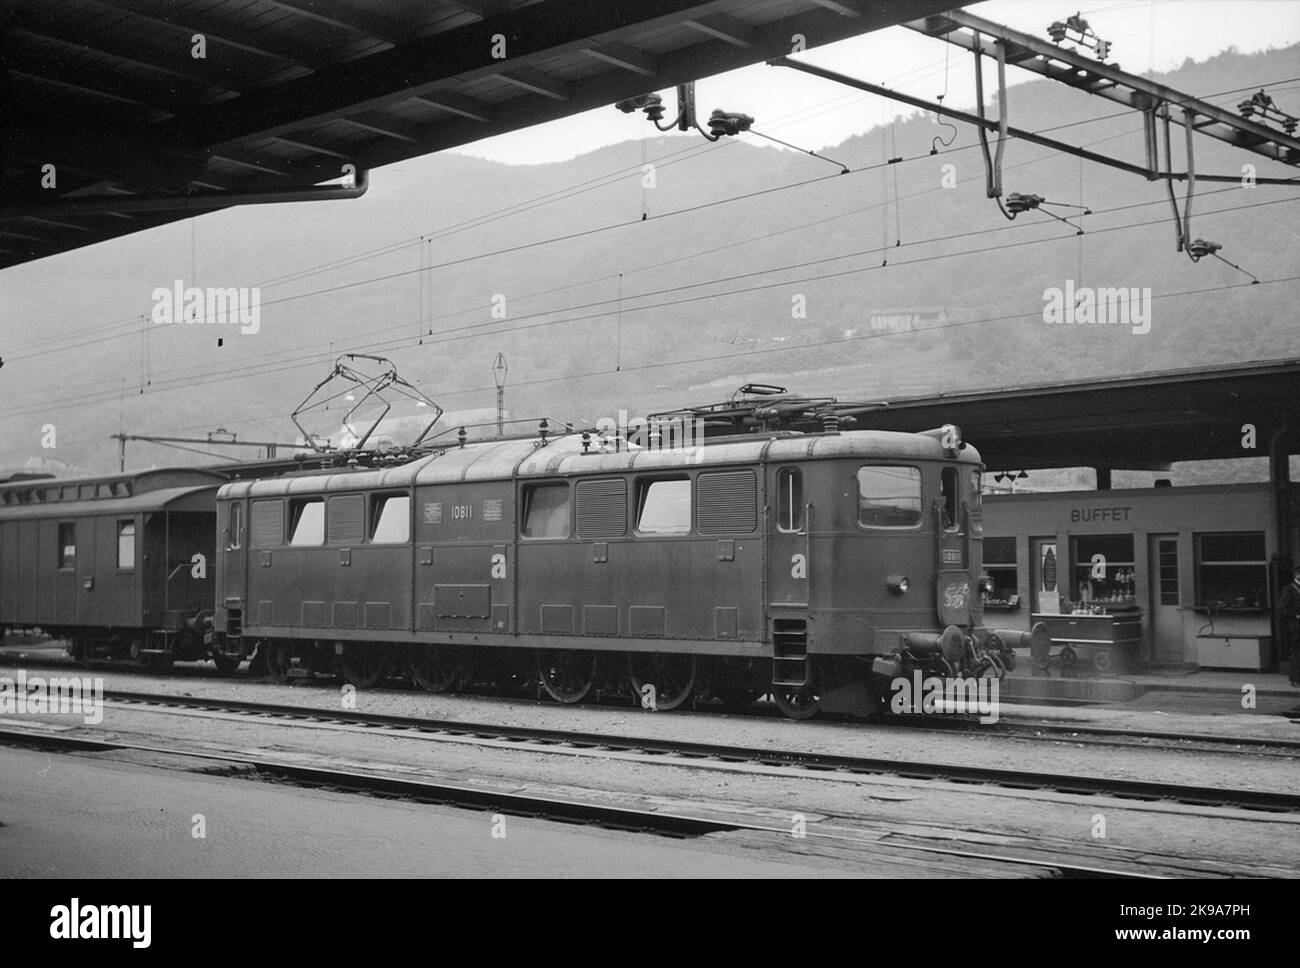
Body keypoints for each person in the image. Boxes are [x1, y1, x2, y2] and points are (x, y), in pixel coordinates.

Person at [1277, 565, 1300, 687]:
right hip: (1296, 625)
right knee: (1297, 651)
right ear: (1297, 575)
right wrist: (1296, 615)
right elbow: (1281, 608)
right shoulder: (1289, 589)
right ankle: (1295, 678)